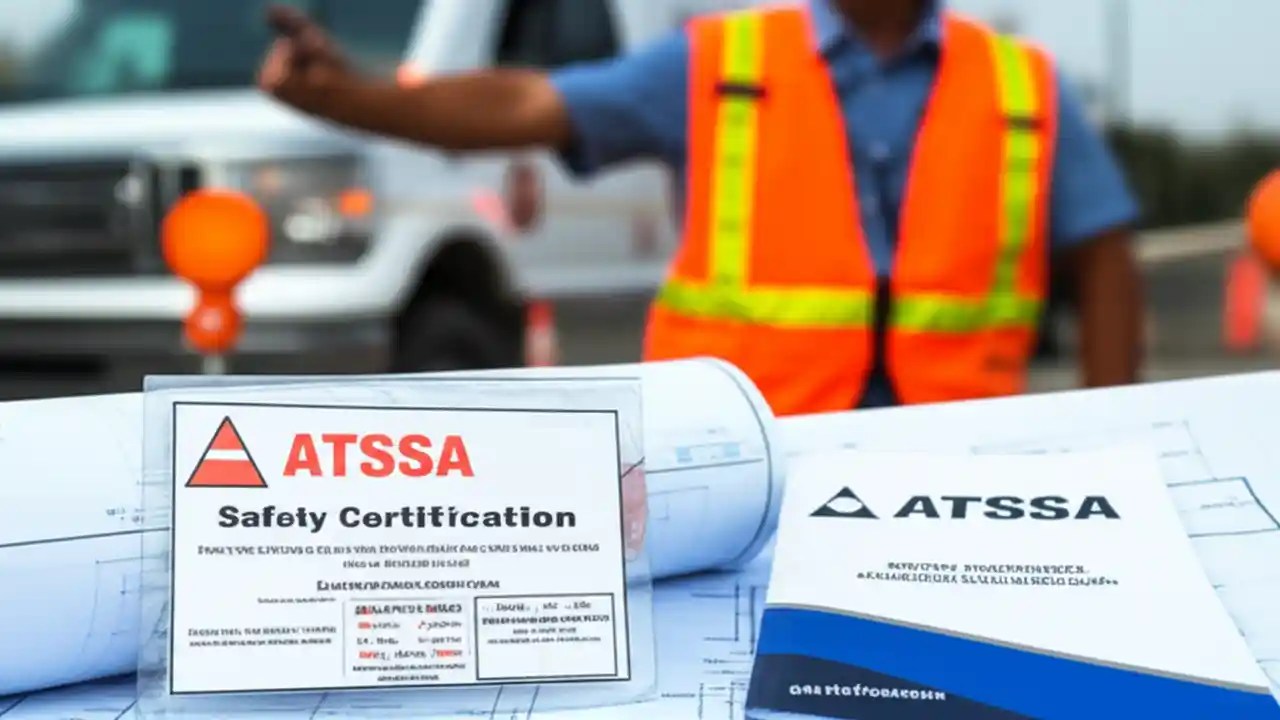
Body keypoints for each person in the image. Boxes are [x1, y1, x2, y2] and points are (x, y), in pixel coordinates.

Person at [258, 0, 1144, 417]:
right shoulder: (718, 61)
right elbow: (528, 103)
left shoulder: (1020, 83)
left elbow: (1105, 256)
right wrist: (353, 97)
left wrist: (1116, 438)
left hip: (958, 460)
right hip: (757, 457)